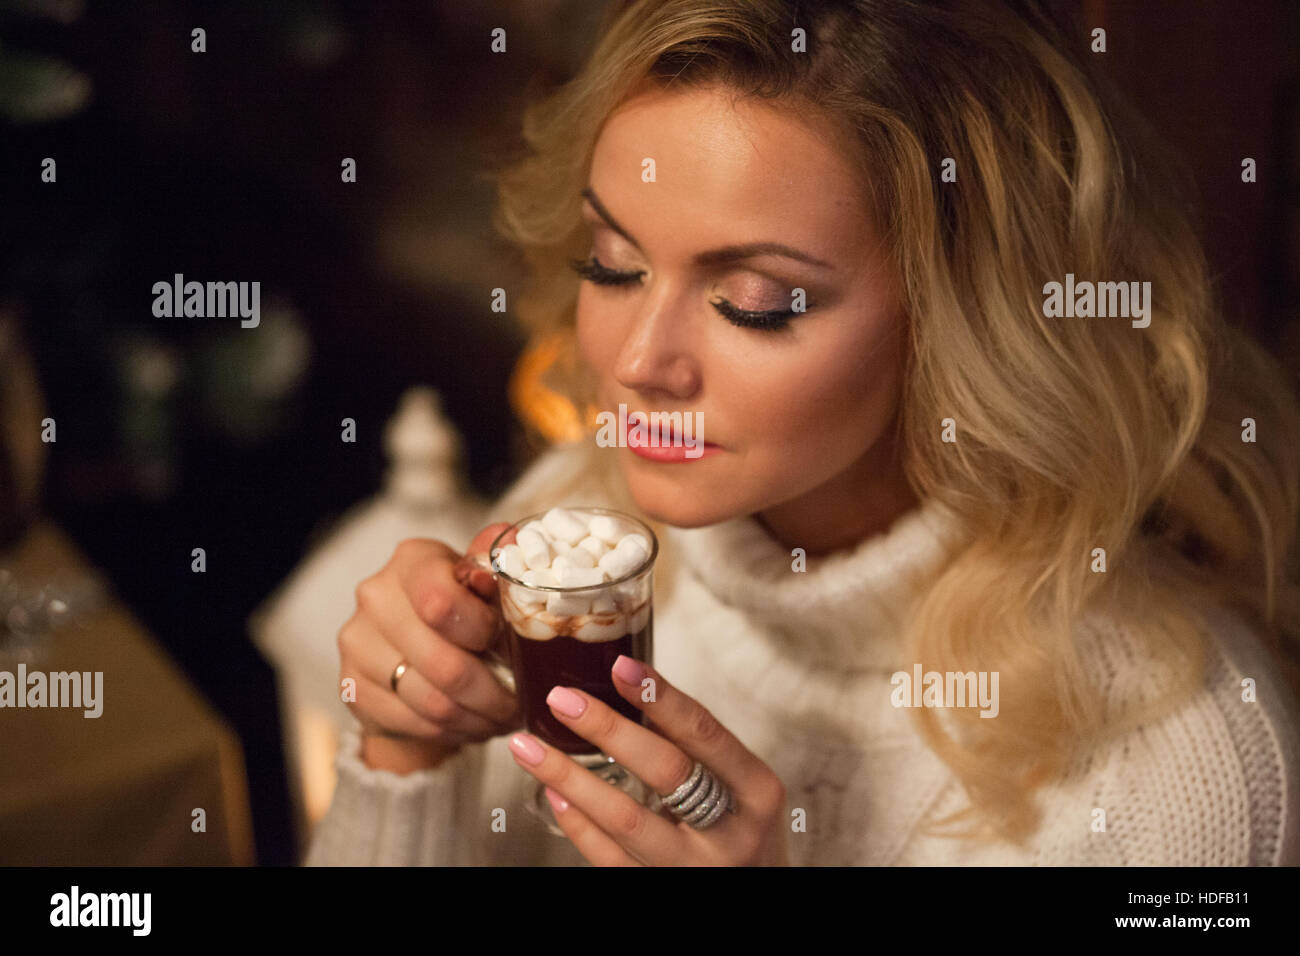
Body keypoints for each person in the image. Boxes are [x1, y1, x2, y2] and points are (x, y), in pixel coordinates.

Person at [305, 0, 1300, 865]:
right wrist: (407, 755)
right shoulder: (578, 523)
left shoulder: (1177, 766)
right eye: (614, 263)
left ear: (964, 320)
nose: (641, 362)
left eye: (756, 300)